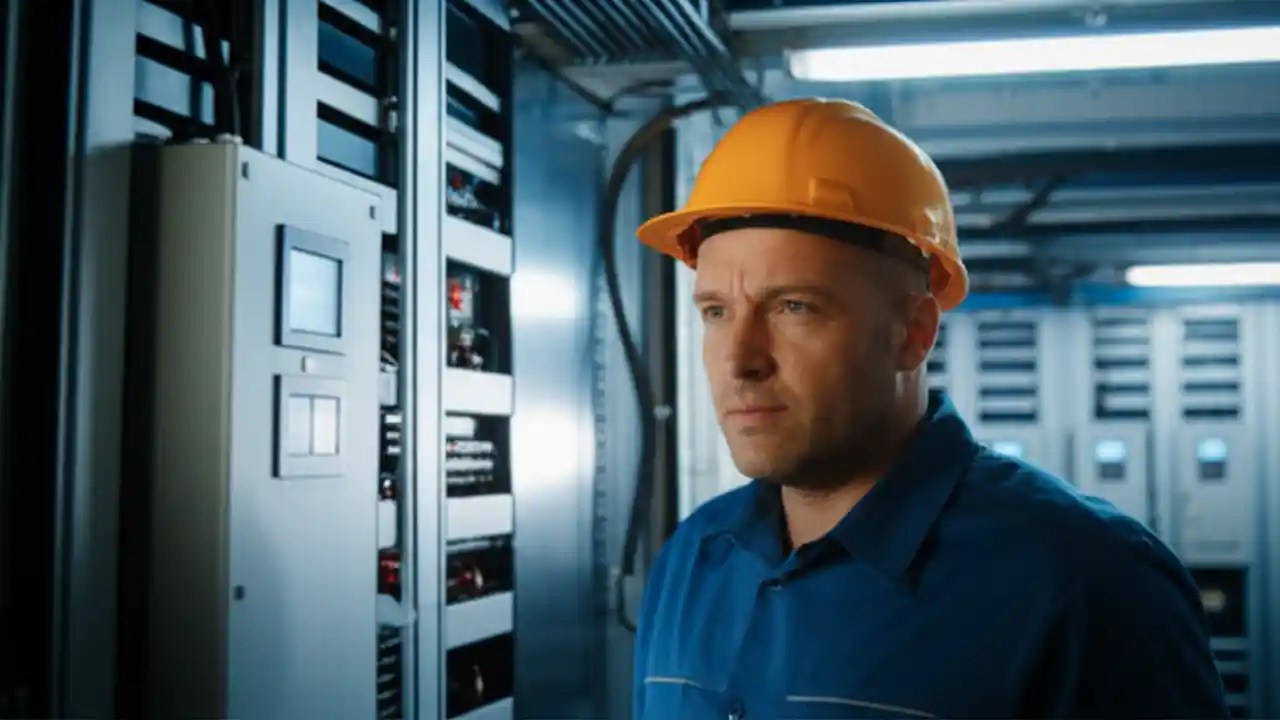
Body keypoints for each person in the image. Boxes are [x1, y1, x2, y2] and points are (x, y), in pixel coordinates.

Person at [630, 98, 1227, 719]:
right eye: (716, 312)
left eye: (794, 307)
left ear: (913, 332)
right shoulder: (692, 559)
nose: (740, 361)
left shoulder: (1089, 583)